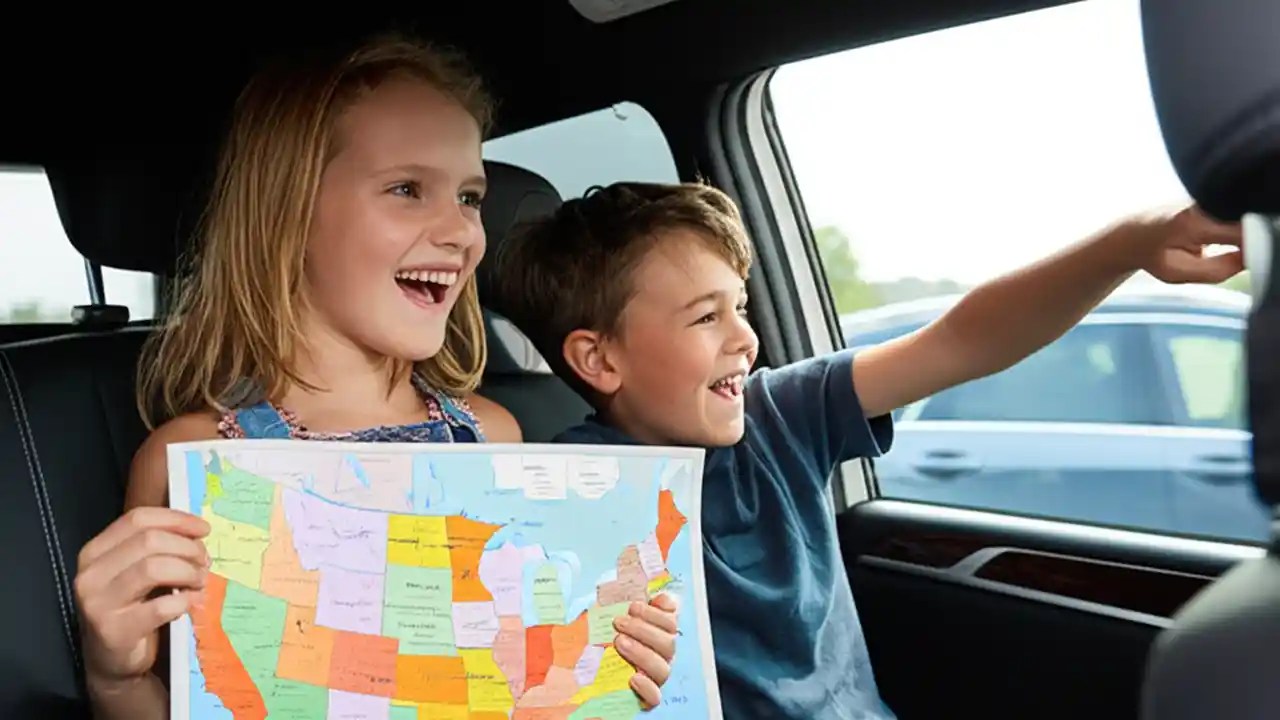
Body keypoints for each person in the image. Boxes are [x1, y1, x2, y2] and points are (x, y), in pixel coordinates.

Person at [71, 35, 676, 719]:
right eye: (407, 190)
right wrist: (117, 681)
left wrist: (615, 677)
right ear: (289, 213)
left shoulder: (493, 438)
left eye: (470, 197)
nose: (463, 233)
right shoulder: (192, 461)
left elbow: (517, 685)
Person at [492, 181, 1245, 719]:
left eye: (741, 307)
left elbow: (964, 340)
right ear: (599, 360)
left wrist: (1128, 245)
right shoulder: (561, 498)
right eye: (704, 318)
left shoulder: (779, 417)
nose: (746, 338)